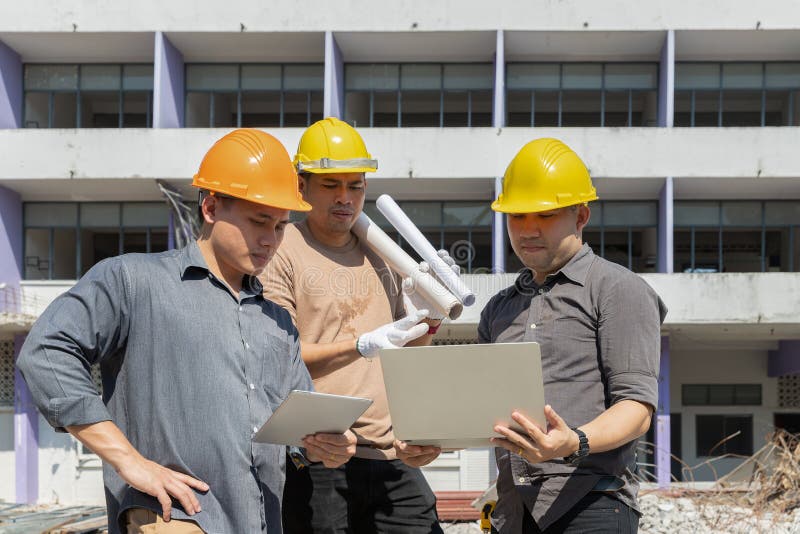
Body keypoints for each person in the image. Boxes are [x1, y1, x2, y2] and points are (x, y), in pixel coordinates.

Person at [16, 129, 357, 534]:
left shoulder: (278, 324)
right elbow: (47, 351)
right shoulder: (133, 281)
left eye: (282, 226)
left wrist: (328, 447)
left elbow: (298, 433)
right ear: (211, 207)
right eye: (259, 221)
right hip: (172, 517)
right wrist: (129, 461)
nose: (271, 240)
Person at [400, 138, 667, 533]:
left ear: (581, 215)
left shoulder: (619, 290)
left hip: (591, 504)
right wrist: (433, 441)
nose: (527, 229)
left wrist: (573, 441)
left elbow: (637, 407)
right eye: (517, 217)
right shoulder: (499, 309)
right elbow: (486, 413)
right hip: (513, 509)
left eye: (545, 215)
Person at [262, 117, 448, 533]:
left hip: (390, 455)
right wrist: (360, 343)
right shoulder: (280, 251)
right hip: (319, 456)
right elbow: (276, 360)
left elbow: (407, 359)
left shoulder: (382, 255)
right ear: (301, 185)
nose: (345, 198)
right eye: (331, 185)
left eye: (356, 186)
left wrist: (429, 324)